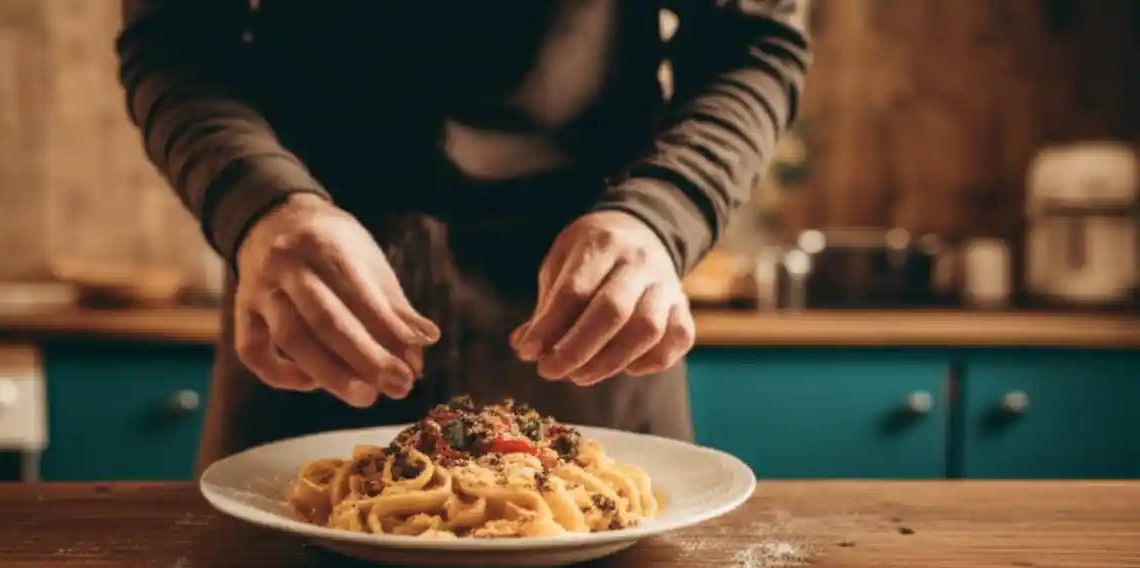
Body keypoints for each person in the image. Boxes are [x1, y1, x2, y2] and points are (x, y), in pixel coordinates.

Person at [116, 1, 810, 471]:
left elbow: (751, 43)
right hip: (311, 301)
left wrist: (662, 209)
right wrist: (262, 204)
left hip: (590, 302)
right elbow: (177, 38)